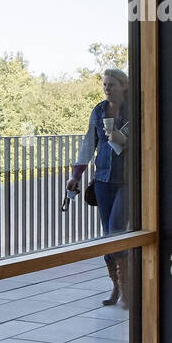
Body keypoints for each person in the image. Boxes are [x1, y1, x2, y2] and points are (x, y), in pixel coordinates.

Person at [66, 68, 132, 307]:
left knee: (116, 230)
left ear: (123, 86)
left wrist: (121, 137)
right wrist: (76, 175)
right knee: (107, 236)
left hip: (128, 180)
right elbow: (88, 144)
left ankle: (126, 288)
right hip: (103, 179)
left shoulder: (133, 110)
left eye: (111, 84)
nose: (106, 88)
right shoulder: (99, 110)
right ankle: (115, 286)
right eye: (104, 84)